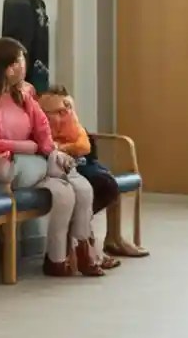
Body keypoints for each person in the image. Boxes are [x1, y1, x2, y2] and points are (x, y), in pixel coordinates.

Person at [0, 38, 105, 277]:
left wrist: (46, 148)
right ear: (6, 66)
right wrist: (27, 147)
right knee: (63, 172)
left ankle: (59, 258)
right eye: (20, 61)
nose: (24, 66)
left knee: (75, 191)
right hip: (4, 167)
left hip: (36, 166)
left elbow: (41, 129)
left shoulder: (27, 92)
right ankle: (64, 172)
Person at [38, 86, 150, 260]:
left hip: (84, 160)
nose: (65, 114)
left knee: (108, 181)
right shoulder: (41, 122)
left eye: (67, 109)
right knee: (101, 184)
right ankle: (86, 242)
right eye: (59, 111)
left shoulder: (71, 122)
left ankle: (112, 238)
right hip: (66, 166)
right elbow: (49, 146)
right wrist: (62, 148)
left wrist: (63, 145)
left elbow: (84, 146)